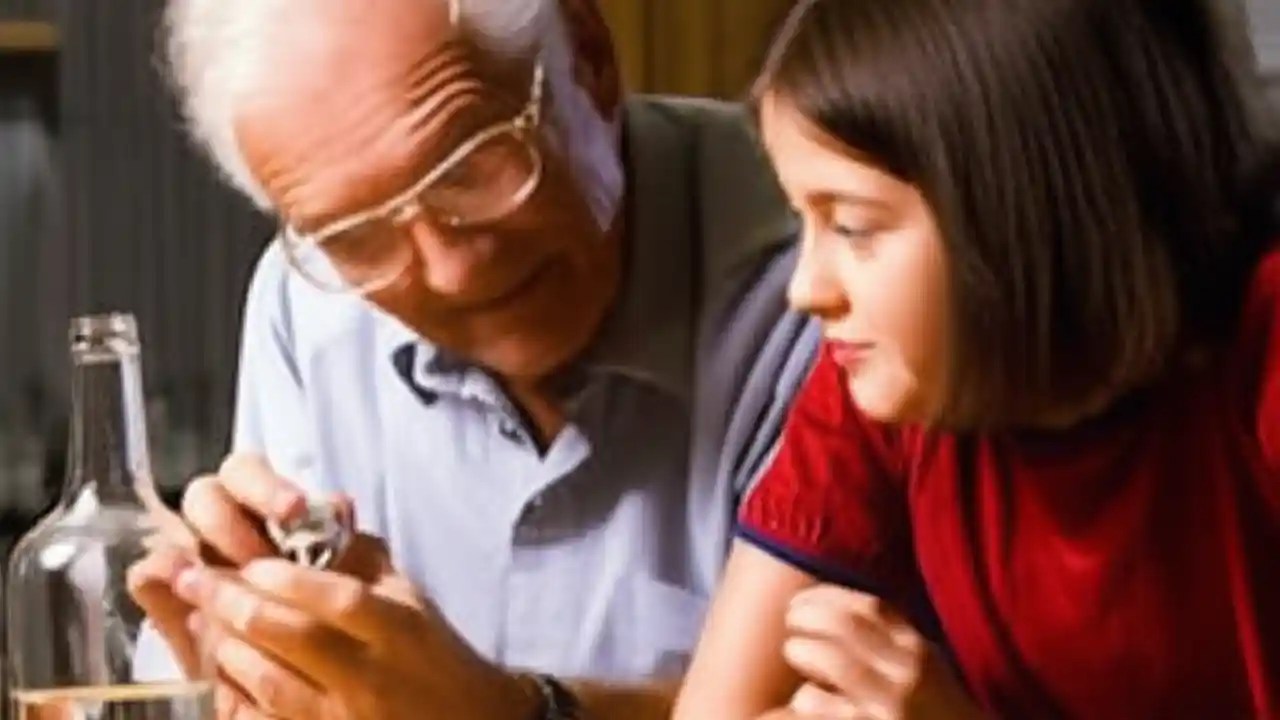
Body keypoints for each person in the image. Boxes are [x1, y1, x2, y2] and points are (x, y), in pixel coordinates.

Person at [126, 0, 818, 718]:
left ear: (588, 59)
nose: (451, 270)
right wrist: (234, 638)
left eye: (468, 169)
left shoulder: (833, 265)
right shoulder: (309, 301)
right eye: (358, 237)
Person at [673, 0, 1280, 718]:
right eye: (803, 219)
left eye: (853, 226)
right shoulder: (891, 373)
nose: (807, 289)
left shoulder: (1262, 348)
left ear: (1023, 206)